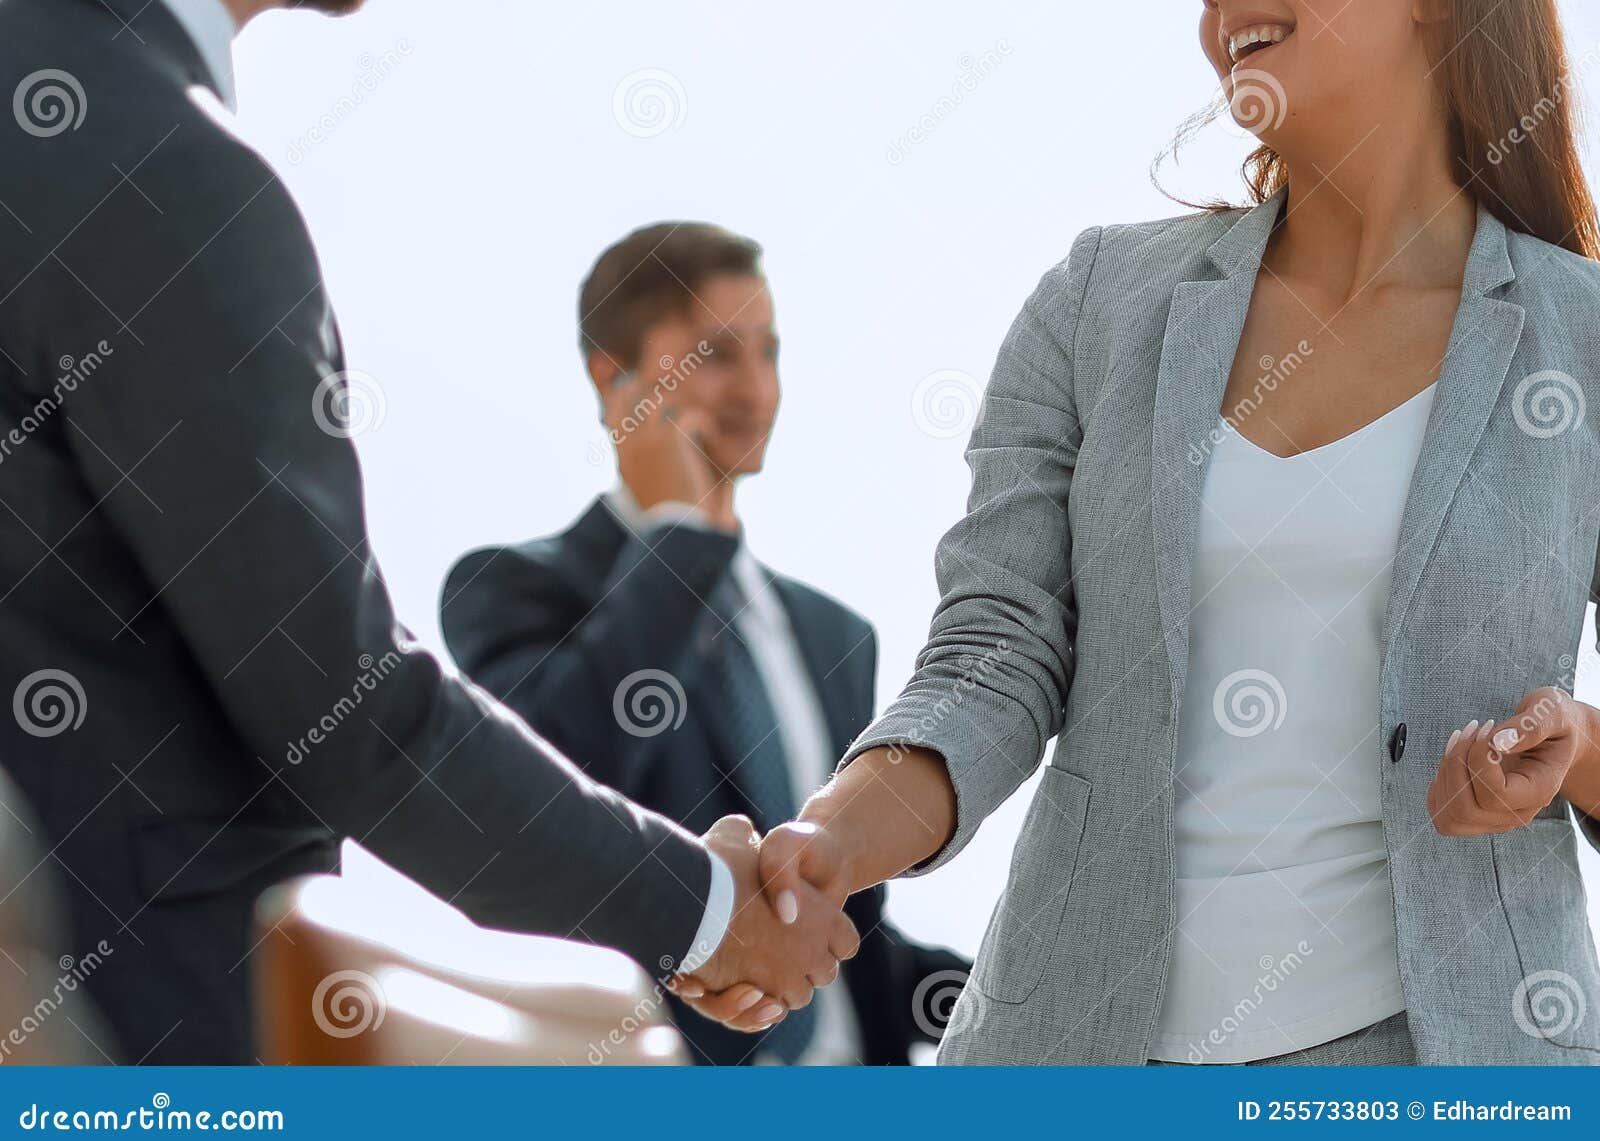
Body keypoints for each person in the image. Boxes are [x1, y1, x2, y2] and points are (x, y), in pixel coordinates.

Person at [749, 0, 1600, 1065]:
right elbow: (992, 658)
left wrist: (1573, 746)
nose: (1219, 11)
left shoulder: (1581, 338)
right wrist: (829, 840)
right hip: (1070, 1053)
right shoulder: (1097, 302)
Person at [0, 0, 850, 1063]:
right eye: (712, 352)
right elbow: (343, 714)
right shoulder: (164, 167)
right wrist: (709, 910)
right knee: (617, 1063)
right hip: (143, 1023)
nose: (750, 386)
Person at [441, 222, 970, 1064]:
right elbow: (541, 804)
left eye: (770, 351)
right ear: (613, 381)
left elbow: (845, 938)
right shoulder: (511, 588)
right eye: (717, 354)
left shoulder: (835, 635)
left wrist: (1029, 990)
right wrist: (680, 538)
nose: (756, 387)